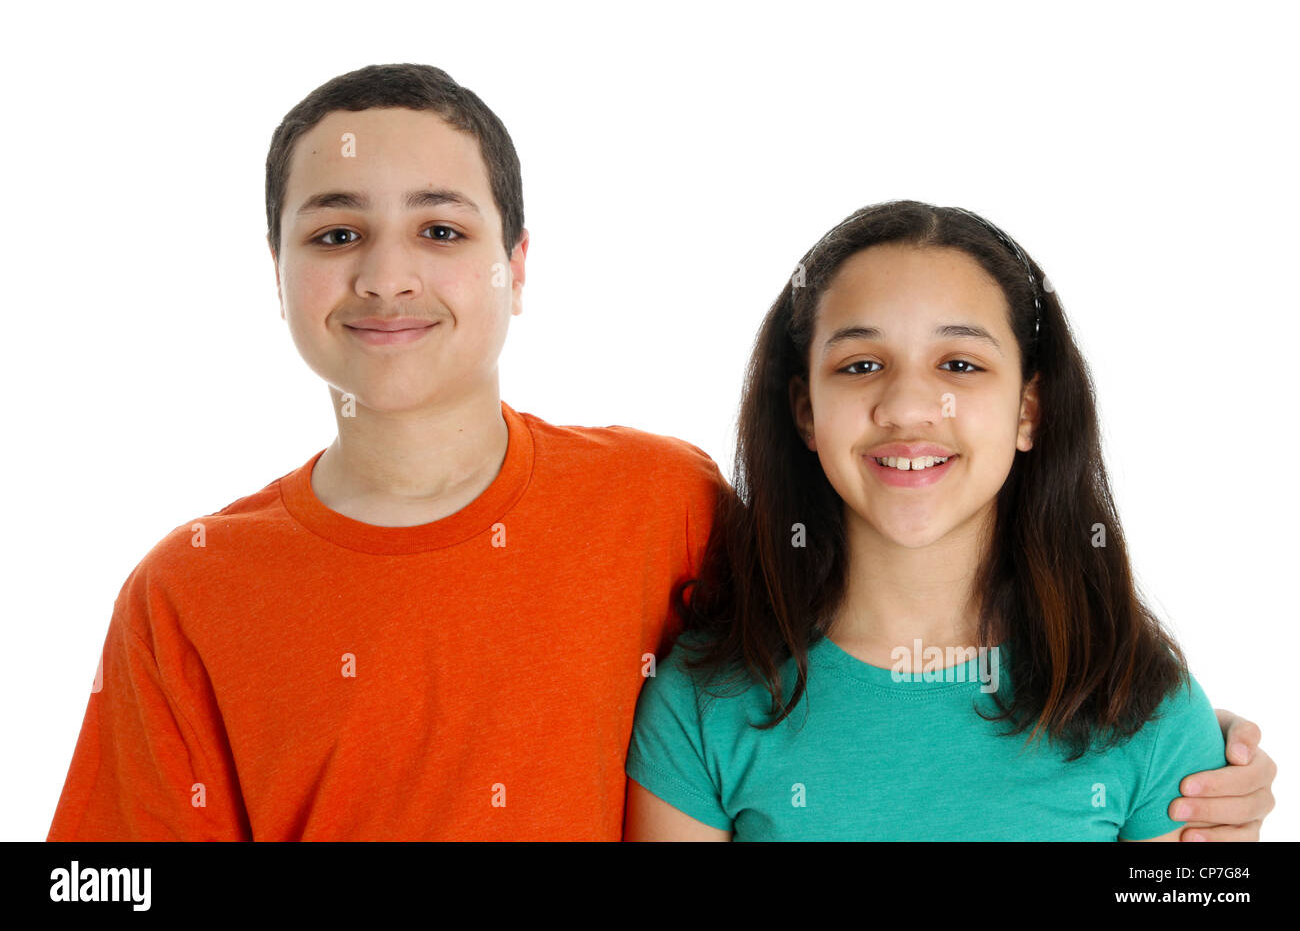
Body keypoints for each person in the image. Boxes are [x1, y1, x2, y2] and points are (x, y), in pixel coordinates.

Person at [46, 65, 1272, 841]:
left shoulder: (662, 502)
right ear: (273, 272)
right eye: (333, 233)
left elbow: (878, 621)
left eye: (442, 229)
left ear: (517, 265)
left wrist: (1172, 741)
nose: (386, 274)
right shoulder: (188, 589)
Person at [624, 200, 1276, 840]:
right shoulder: (703, 702)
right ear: (806, 412)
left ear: (1028, 410)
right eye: (861, 365)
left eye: (960, 365)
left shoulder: (1148, 710)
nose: (909, 407)